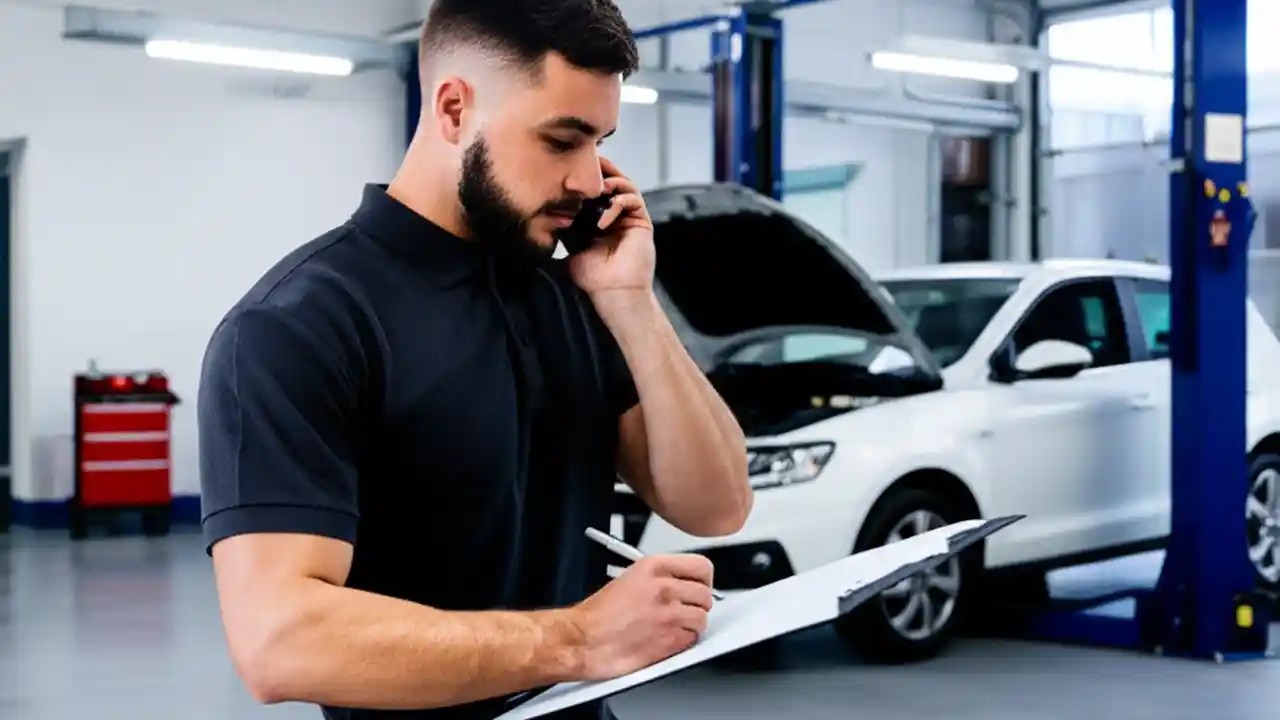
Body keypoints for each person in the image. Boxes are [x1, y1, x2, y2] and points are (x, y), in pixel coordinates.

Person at [196, 1, 753, 719]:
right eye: (562, 139)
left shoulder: (572, 292)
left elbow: (716, 505)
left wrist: (631, 303)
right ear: (454, 108)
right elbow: (280, 642)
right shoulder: (296, 328)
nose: (589, 180)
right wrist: (579, 639)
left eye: (600, 143)